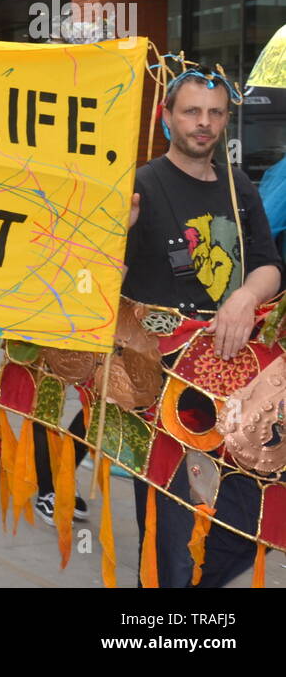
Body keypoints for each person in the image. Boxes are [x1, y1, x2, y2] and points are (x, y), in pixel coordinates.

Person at [123, 67, 283, 588]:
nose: (204, 123)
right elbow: (95, 284)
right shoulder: (140, 187)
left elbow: (268, 263)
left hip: (239, 385)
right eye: (191, 111)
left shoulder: (239, 185)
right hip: (164, 391)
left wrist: (245, 296)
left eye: (215, 113)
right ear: (166, 118)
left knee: (240, 524)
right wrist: (111, 235)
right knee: (171, 530)